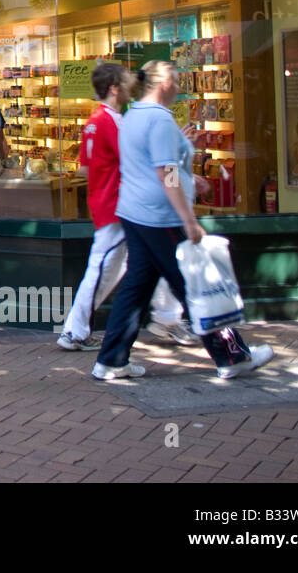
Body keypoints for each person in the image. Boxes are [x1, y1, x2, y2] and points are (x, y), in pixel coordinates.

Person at [92, 60, 274, 380]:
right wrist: (189, 219)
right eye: (176, 81)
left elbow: (155, 165)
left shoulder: (133, 115)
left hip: (134, 213)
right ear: (163, 83)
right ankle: (232, 357)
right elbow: (167, 172)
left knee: (137, 286)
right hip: (160, 217)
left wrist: (190, 174)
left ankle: (111, 359)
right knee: (196, 284)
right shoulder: (160, 120)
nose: (178, 87)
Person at [57, 62, 198, 351]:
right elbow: (159, 166)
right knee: (107, 268)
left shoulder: (101, 120)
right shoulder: (124, 120)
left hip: (118, 204)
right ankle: (77, 331)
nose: (132, 84)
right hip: (126, 206)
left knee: (142, 268)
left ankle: (163, 323)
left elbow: (85, 169)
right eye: (126, 80)